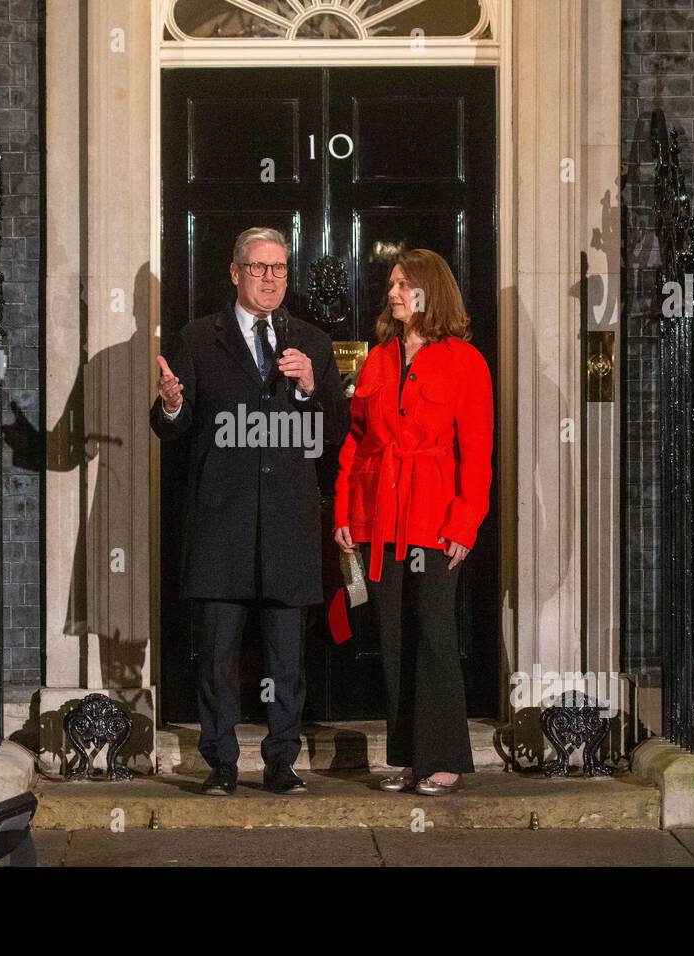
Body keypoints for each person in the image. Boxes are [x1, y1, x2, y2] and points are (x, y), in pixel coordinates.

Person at [151, 227, 348, 796]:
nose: (271, 278)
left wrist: (311, 387)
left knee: (287, 660)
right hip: (221, 524)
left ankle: (282, 763)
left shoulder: (310, 340)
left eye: (280, 268)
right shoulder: (197, 338)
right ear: (235, 273)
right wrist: (172, 403)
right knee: (218, 659)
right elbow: (173, 428)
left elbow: (333, 431)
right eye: (259, 268)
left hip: (288, 525)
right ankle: (221, 765)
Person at [333, 248, 493, 796]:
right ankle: (410, 756)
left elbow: (477, 452)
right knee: (395, 637)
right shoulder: (378, 358)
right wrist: (345, 515)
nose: (394, 293)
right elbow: (355, 443)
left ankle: (444, 756)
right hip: (379, 519)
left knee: (434, 634)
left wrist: (464, 524)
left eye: (405, 284)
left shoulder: (466, 362)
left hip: (435, 520)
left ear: (431, 292)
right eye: (393, 284)